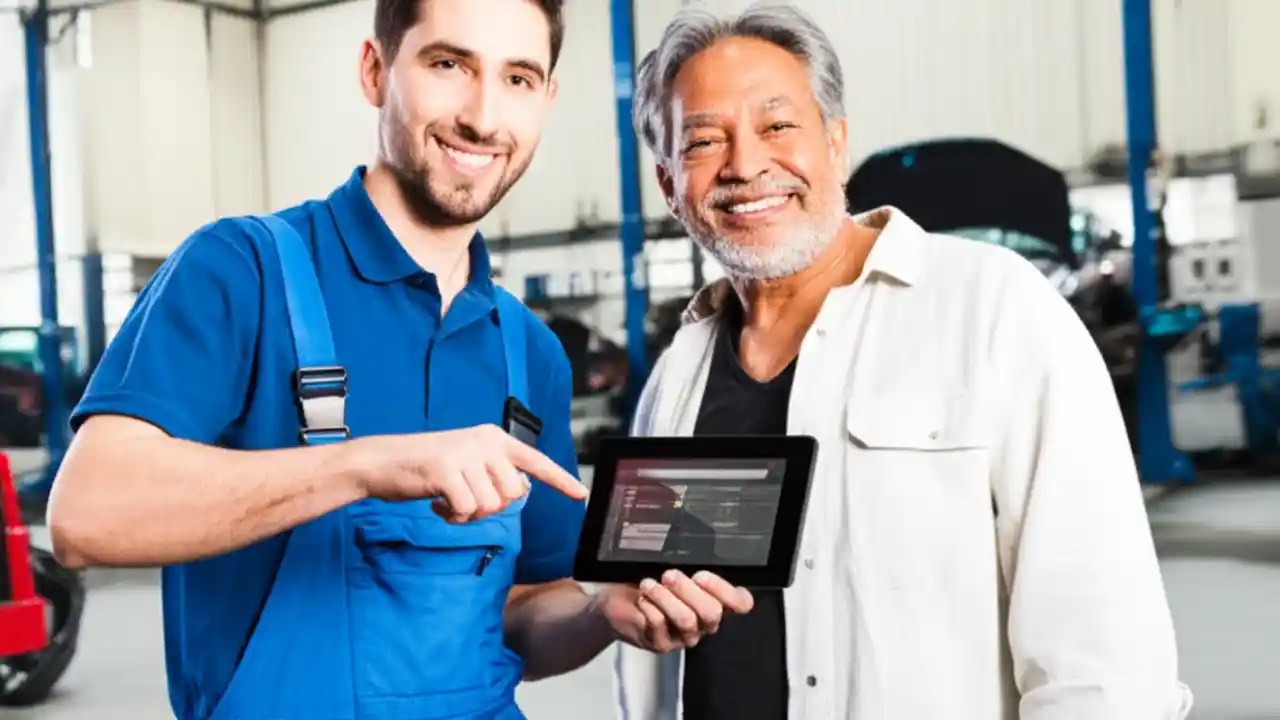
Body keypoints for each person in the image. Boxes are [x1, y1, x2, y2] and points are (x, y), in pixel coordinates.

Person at [45, 0, 754, 718]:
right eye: (449, 65)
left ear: (547, 98)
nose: (482, 116)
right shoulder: (241, 271)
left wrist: (600, 610)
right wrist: (367, 465)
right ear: (375, 70)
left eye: (518, 78)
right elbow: (88, 515)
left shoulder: (529, 353)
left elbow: (518, 612)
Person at [614, 3, 1193, 719]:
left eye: (777, 126)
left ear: (835, 144)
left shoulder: (991, 309)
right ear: (671, 186)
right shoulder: (677, 375)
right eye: (703, 142)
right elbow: (648, 620)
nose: (747, 165)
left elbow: (1104, 648)